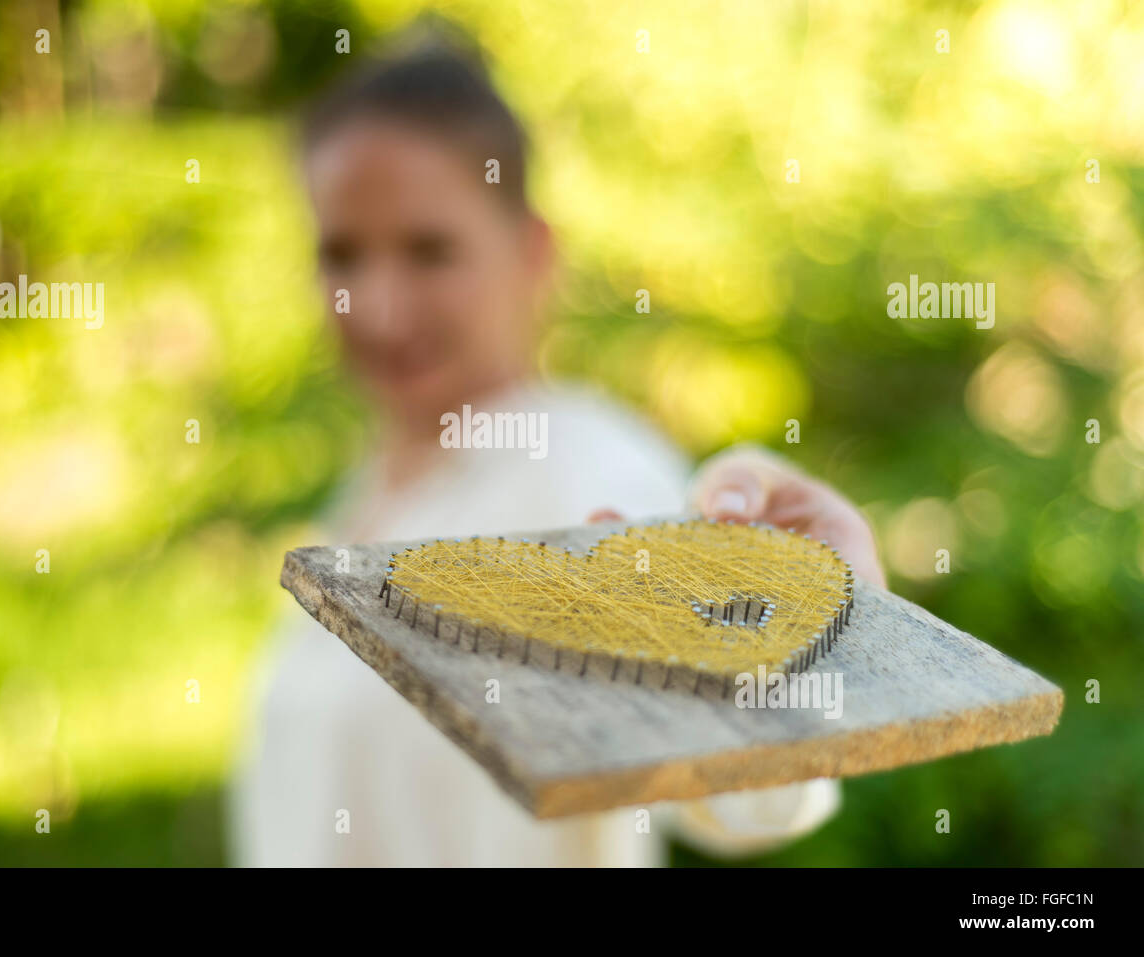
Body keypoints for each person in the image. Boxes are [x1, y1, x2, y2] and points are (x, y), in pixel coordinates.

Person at [228, 23, 885, 867]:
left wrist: (808, 628)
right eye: (342, 254)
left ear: (533, 252)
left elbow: (746, 785)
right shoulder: (370, 490)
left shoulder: (578, 466)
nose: (380, 306)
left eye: (430, 251)